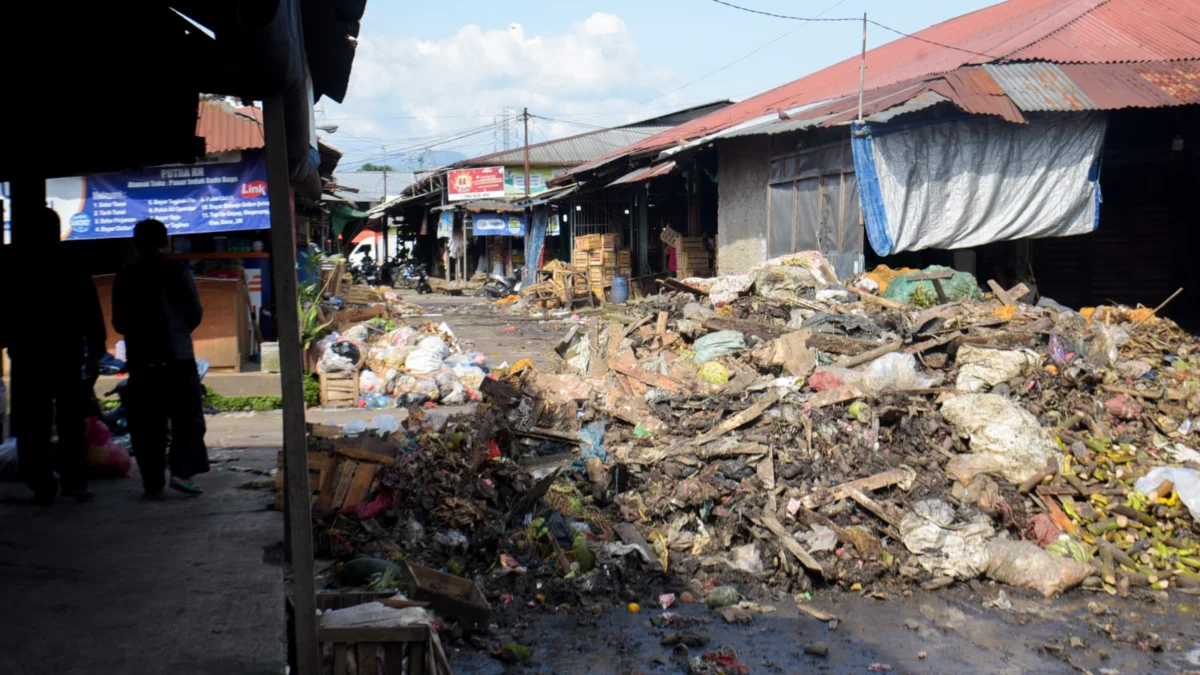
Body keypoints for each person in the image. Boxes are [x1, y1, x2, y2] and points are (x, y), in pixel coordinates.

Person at [9, 208, 107, 505]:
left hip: (29, 355)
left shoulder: (17, 265)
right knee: (70, 422)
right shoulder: (71, 263)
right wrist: (96, 350)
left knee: (32, 424)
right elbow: (91, 311)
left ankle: (42, 484)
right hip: (66, 353)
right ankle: (73, 482)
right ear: (56, 230)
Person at [112, 219, 209, 499]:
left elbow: (119, 321)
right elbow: (194, 313)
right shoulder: (176, 271)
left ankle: (152, 483)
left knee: (146, 424)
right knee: (187, 418)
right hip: (177, 356)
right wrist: (176, 331)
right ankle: (181, 472)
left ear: (136, 242)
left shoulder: (125, 276)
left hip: (142, 360)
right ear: (164, 241)